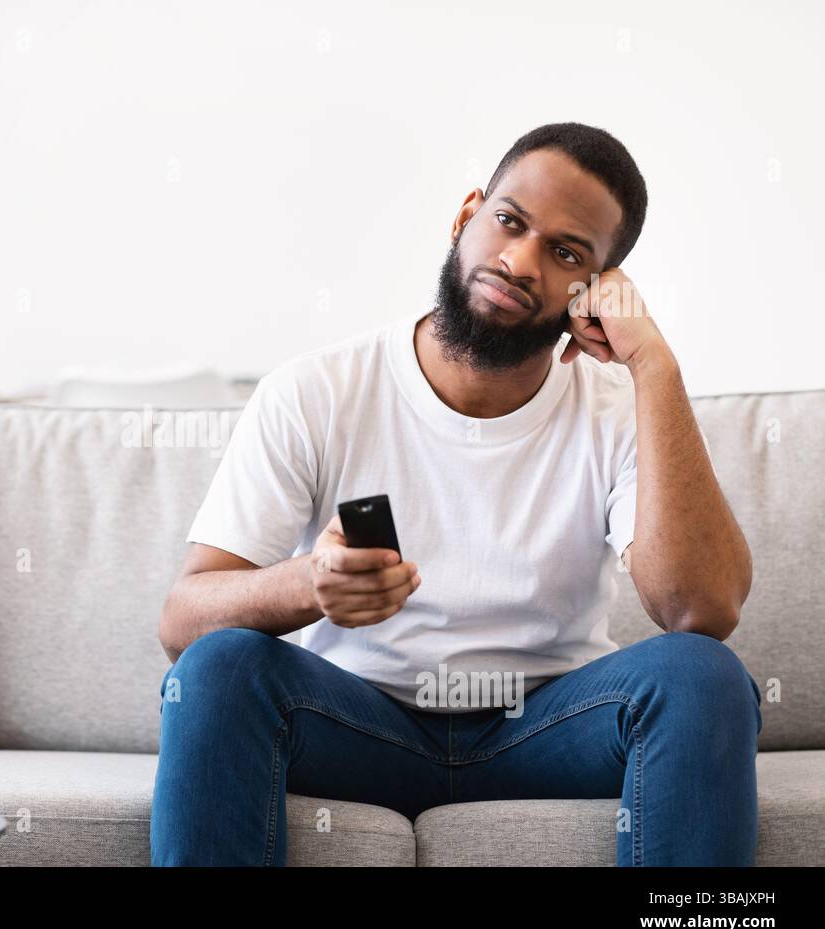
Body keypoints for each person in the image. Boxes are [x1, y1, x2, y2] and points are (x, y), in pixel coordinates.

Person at [150, 122, 761, 867]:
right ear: (466, 215)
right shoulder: (315, 392)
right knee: (216, 671)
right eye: (509, 221)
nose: (518, 261)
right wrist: (309, 585)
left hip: (542, 729)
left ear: (597, 291)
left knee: (701, 675)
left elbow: (701, 609)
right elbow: (184, 619)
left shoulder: (615, 409)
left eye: (565, 252)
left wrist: (654, 367)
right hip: (353, 721)